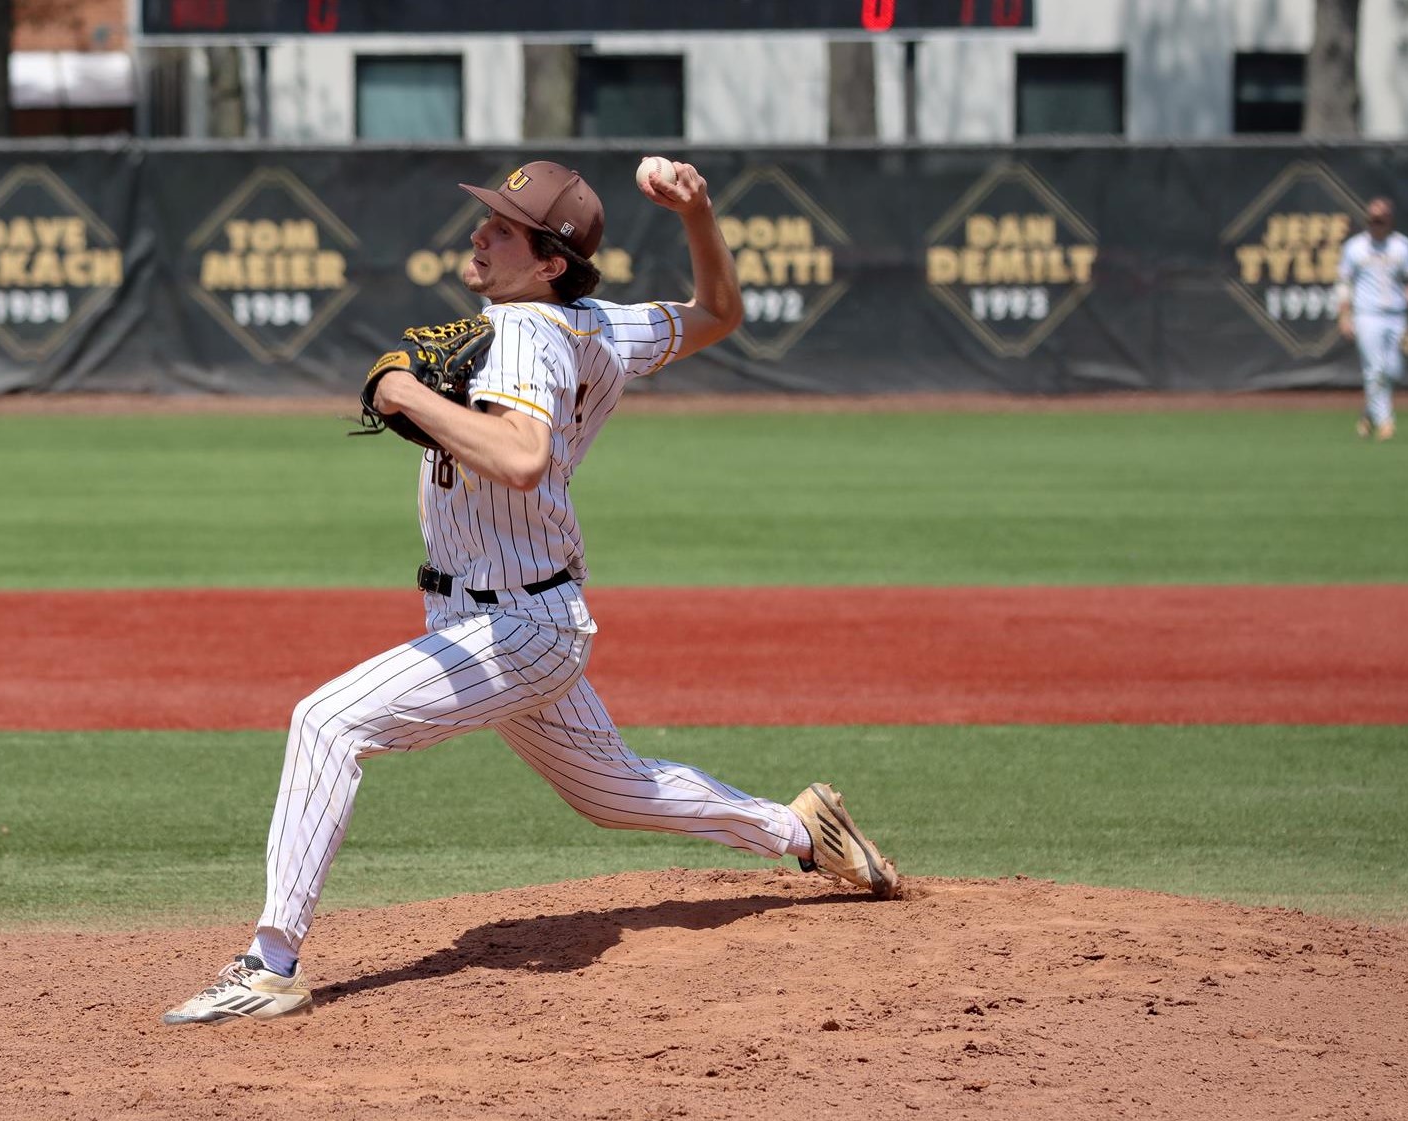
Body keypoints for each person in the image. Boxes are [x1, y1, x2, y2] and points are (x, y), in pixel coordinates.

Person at [162, 158, 900, 1026]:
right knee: (615, 791)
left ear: (550, 261)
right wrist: (699, 213)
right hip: (524, 616)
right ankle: (802, 832)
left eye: (504, 228)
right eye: (488, 219)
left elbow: (520, 458)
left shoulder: (522, 331)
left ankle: (270, 962)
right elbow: (719, 314)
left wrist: (403, 391)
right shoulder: (595, 324)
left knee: (328, 721)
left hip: (512, 623)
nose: (480, 232)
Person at [1337, 197, 1408, 441]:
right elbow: (1345, 283)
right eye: (1372, 219)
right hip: (1367, 315)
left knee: (1393, 370)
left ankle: (1369, 412)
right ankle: (1386, 422)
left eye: (1380, 219)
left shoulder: (1402, 246)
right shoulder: (1355, 247)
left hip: (1396, 315)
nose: (1375, 224)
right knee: (1375, 369)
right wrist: (1344, 315)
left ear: (1389, 220)